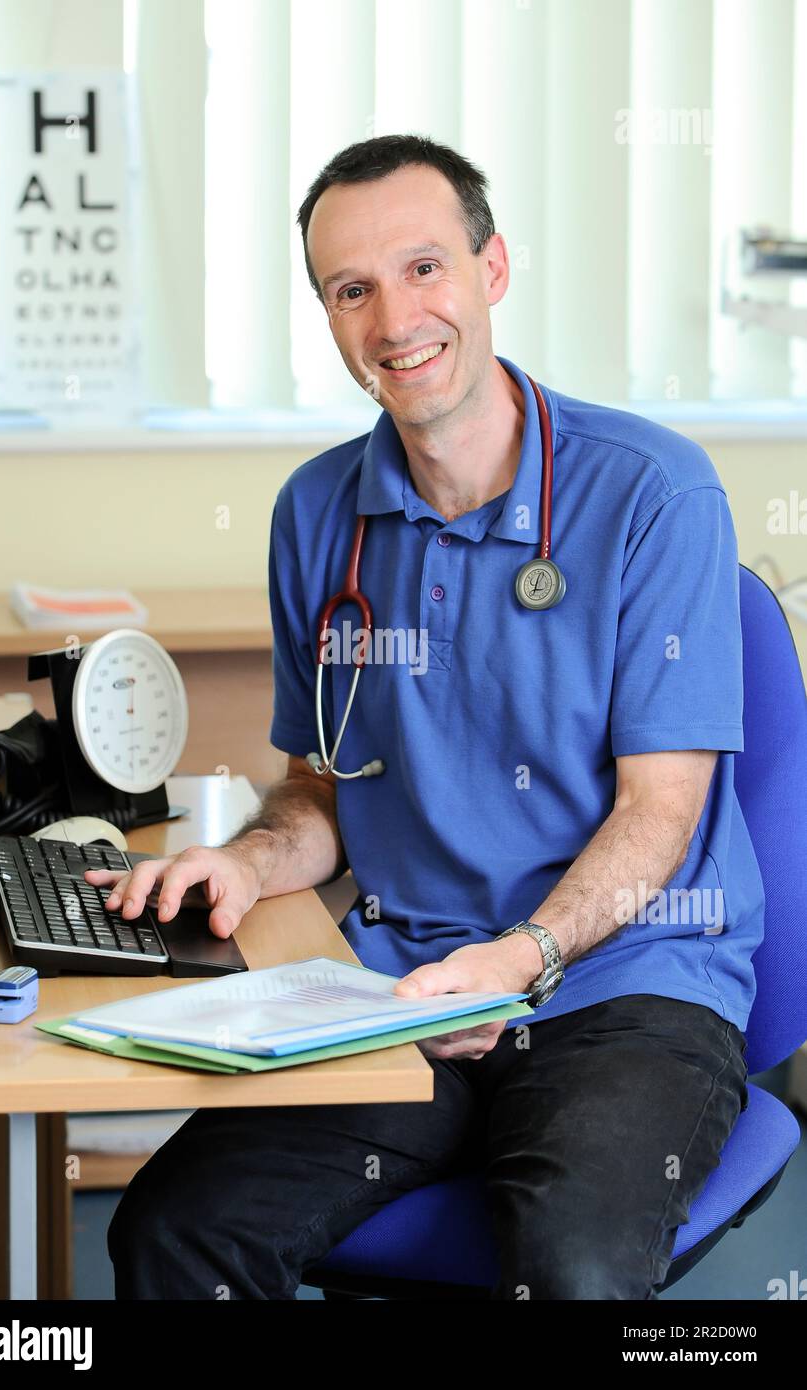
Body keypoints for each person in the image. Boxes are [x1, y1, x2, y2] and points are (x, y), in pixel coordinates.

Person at [91, 134, 762, 1300]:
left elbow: (661, 810)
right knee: (176, 1232)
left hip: (620, 984)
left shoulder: (652, 492)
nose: (394, 318)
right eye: (352, 289)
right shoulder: (319, 515)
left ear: (491, 268)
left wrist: (520, 957)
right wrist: (249, 862)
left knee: (574, 1264)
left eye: (423, 268)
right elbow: (321, 790)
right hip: (392, 992)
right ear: (330, 316)